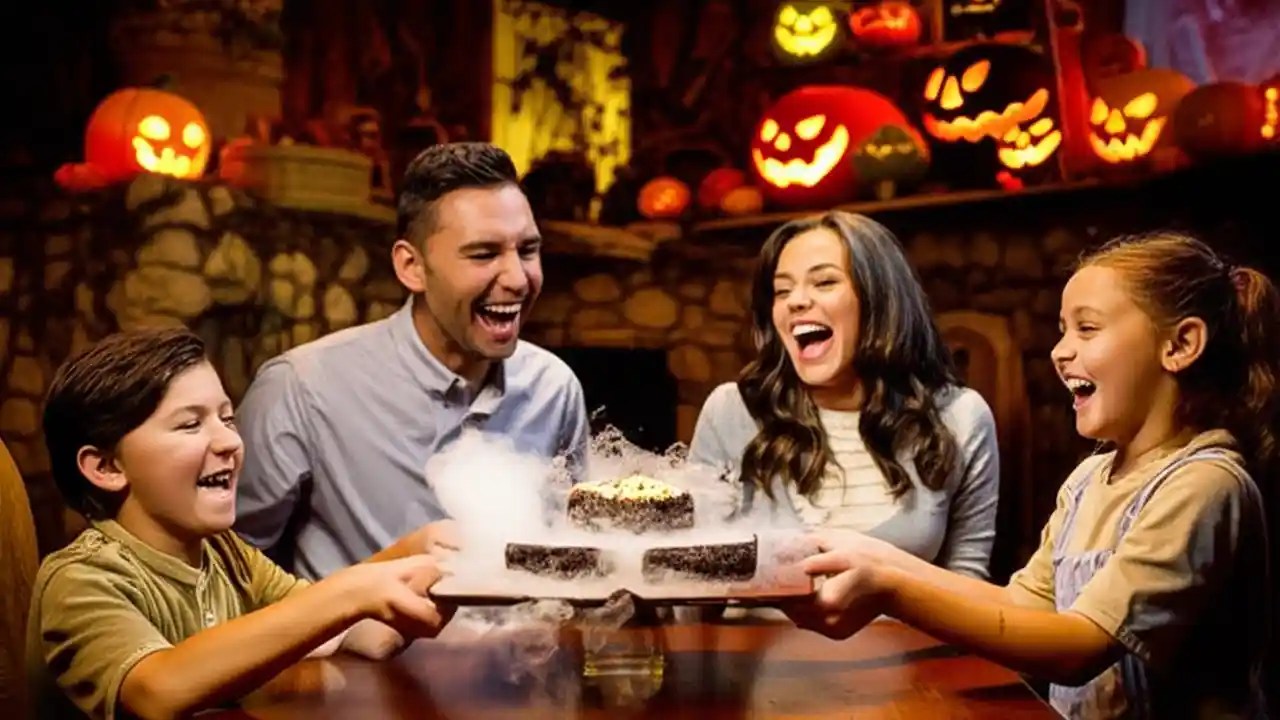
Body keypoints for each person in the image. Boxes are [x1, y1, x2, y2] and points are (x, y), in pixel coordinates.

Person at [788, 232, 1277, 719]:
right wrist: (878, 558)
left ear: (1181, 344)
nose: (1060, 352)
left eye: (1087, 329)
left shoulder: (1206, 485)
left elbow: (1078, 648)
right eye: (1063, 330)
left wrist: (889, 588)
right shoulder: (1089, 480)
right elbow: (1026, 605)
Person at [26, 328, 455, 720]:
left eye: (227, 419)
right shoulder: (81, 579)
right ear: (105, 466)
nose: (231, 441)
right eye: (191, 424)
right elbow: (157, 691)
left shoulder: (225, 554)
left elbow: (352, 632)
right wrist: (353, 592)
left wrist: (426, 561)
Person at [233, 142, 589, 580]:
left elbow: (573, 562)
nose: (518, 279)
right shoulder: (303, 389)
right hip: (357, 651)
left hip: (527, 648)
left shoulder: (553, 387)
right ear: (411, 267)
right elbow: (231, 573)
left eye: (528, 250)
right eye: (483, 254)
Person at [689, 211, 1000, 579]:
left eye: (823, 282)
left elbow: (968, 584)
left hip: (909, 639)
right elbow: (694, 583)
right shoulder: (732, 411)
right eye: (782, 290)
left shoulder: (960, 417)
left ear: (880, 300)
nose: (796, 301)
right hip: (756, 637)